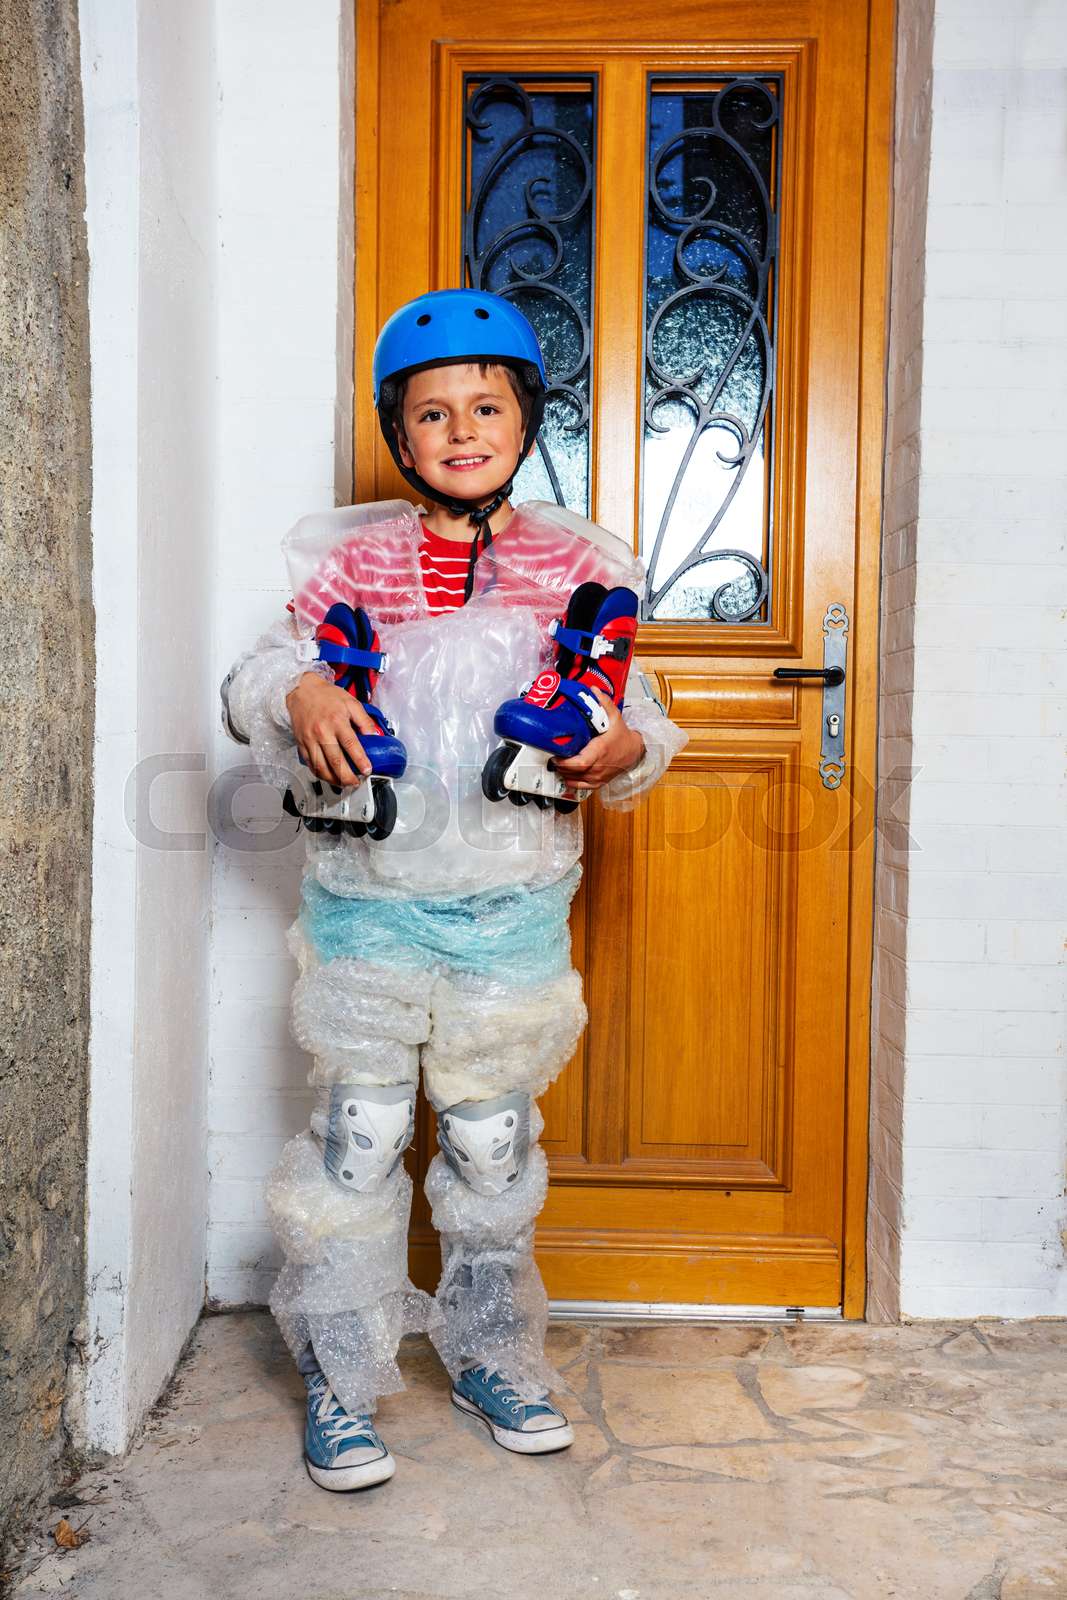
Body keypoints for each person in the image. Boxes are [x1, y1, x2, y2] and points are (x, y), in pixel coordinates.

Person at [221, 289, 686, 1491]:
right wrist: (298, 694)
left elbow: (631, 710)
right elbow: (261, 671)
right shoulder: (350, 560)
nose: (460, 428)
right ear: (398, 431)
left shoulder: (576, 566)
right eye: (431, 411)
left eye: (486, 405)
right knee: (360, 1141)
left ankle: (487, 1352)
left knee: (487, 1141)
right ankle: (342, 1370)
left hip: (511, 905)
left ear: (526, 419)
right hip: (369, 900)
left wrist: (624, 749)